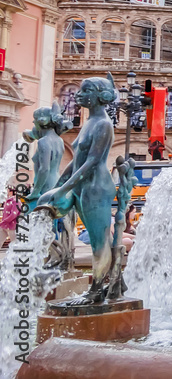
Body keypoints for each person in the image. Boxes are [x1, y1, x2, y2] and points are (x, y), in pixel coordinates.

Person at [37, 75, 118, 304]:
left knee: (98, 241)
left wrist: (64, 190)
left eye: (86, 91)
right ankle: (110, 285)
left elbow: (92, 162)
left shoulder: (103, 124)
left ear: (100, 97)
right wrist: (58, 187)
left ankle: (97, 292)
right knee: (95, 239)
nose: (79, 95)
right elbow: (76, 162)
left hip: (96, 187)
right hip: (83, 186)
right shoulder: (90, 123)